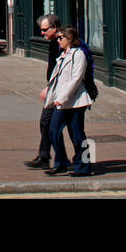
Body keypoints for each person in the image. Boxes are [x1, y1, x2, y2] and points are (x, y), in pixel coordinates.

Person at [44, 26, 93, 176]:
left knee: (78, 135)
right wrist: (50, 97)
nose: (58, 40)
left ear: (69, 39)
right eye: (58, 38)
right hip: (61, 101)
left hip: (76, 102)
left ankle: (84, 167)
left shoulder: (78, 55)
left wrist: (62, 98)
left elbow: (76, 79)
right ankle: (61, 162)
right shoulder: (62, 55)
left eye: (61, 38)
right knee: (53, 131)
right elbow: (56, 80)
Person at [24, 13, 63, 168]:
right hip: (53, 89)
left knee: (73, 129)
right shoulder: (53, 43)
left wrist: (51, 88)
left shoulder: (63, 43)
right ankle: (45, 157)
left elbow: (65, 71)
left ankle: (80, 161)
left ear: (54, 28)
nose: (42, 33)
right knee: (46, 123)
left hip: (61, 92)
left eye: (45, 29)